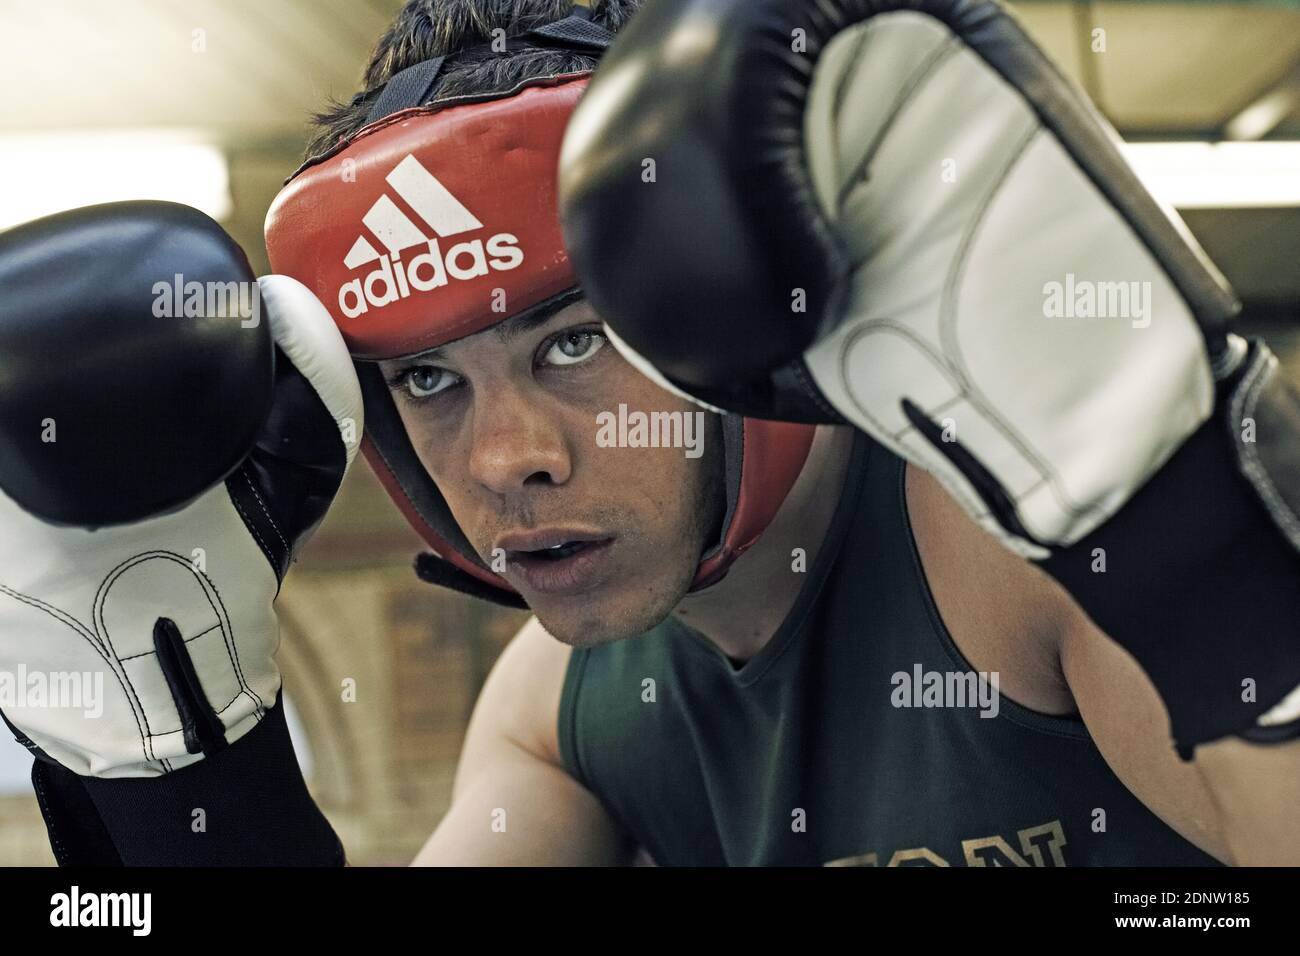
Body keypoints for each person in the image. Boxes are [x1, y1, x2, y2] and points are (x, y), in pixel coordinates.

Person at [264, 0, 1297, 866]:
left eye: (574, 342)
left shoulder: (1005, 555)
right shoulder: (554, 705)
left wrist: (1182, 527)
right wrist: (193, 760)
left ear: (723, 296)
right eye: (429, 377)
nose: (503, 459)